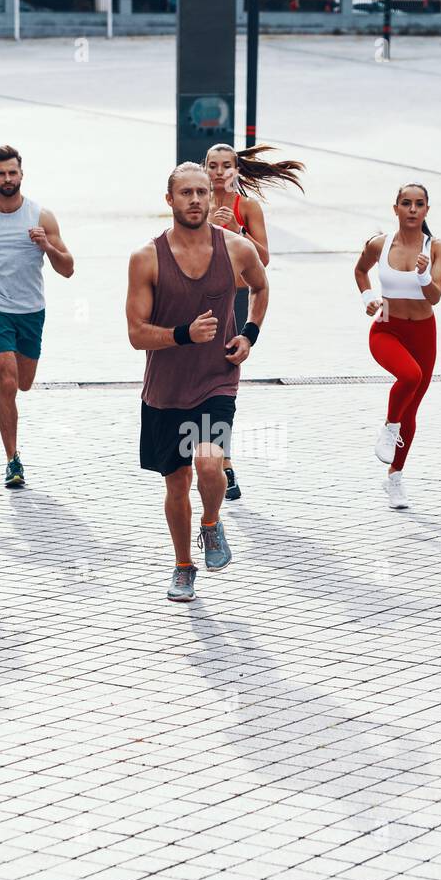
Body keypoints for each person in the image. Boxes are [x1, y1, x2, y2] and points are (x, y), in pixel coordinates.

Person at [126, 162, 269, 602]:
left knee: (209, 463)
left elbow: (261, 289)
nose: (194, 200)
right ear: (169, 200)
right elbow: (136, 334)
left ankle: (212, 521)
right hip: (165, 390)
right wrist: (182, 335)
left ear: (213, 197)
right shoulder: (146, 258)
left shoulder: (238, 249)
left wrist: (249, 334)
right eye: (185, 193)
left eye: (202, 193)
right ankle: (183, 565)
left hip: (216, 379)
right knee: (176, 483)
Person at [0, 145, 74, 489]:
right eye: (1, 173)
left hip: (31, 311)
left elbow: (68, 269)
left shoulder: (41, 216)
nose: (7, 179)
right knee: (9, 383)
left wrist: (48, 247)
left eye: (13, 172)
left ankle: (2, 373)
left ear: (21, 174)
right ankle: (12, 460)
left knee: (23, 382)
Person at [203, 142, 303, 501]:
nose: (218, 172)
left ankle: (224, 464)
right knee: (195, 387)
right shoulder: (196, 204)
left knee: (222, 385)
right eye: (212, 165)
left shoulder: (247, 207)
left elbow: (263, 260)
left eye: (225, 166)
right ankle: (205, 460)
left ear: (236, 171)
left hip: (231, 304)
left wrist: (236, 232)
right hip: (196, 304)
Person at [353, 183, 441, 510]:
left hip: (424, 334)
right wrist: (369, 297)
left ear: (427, 210)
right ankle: (389, 426)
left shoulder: (437, 248)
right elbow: (360, 270)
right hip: (387, 329)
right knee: (409, 376)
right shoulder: (379, 244)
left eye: (419, 204)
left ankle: (394, 478)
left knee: (411, 409)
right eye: (406, 203)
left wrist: (424, 276)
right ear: (395, 208)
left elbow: (435, 296)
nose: (412, 209)